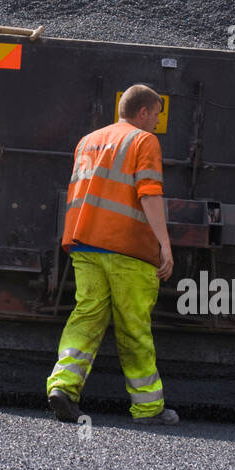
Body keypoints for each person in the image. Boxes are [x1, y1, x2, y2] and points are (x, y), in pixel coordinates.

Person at [46, 84, 178, 425]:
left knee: (86, 316)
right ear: (144, 111)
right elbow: (149, 194)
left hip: (85, 243)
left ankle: (63, 386)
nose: (156, 124)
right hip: (127, 249)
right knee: (133, 326)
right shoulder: (143, 141)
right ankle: (148, 409)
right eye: (156, 116)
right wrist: (164, 243)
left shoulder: (89, 140)